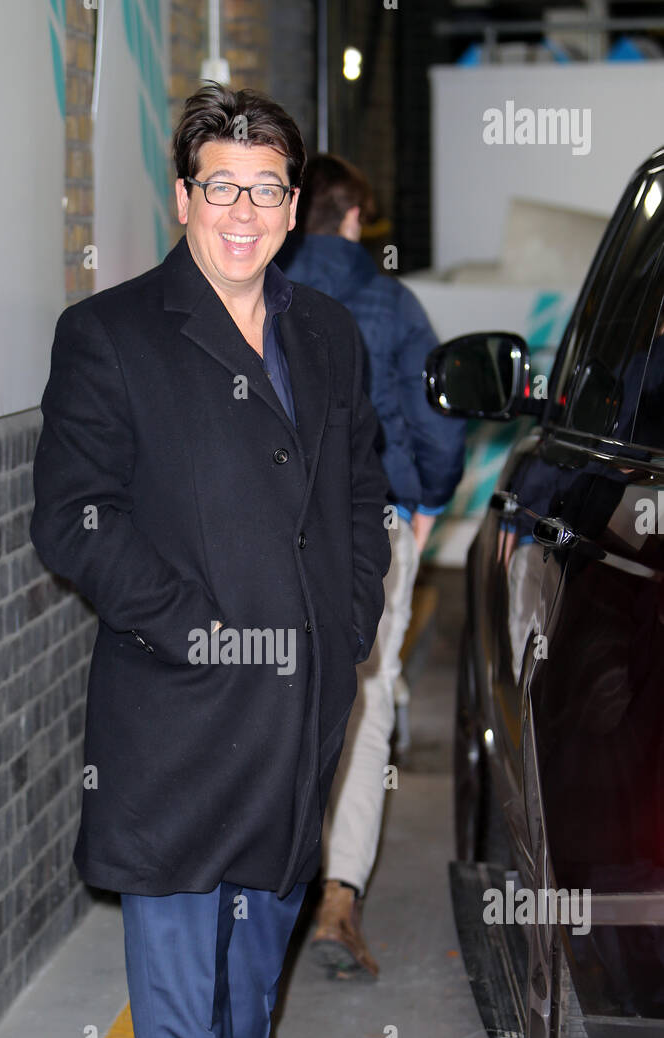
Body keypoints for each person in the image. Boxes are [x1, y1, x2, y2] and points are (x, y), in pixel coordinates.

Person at [29, 85, 391, 1038]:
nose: (243, 209)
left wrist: (343, 627)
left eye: (266, 188)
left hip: (300, 699)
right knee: (185, 933)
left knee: (262, 924)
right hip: (181, 695)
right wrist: (197, 630)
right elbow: (76, 519)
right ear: (183, 198)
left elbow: (354, 499)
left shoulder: (326, 335)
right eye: (220, 185)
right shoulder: (112, 333)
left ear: (293, 207)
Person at [279, 154, 467, 979]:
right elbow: (439, 425)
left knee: (273, 693)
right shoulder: (391, 301)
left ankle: (268, 889)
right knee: (365, 693)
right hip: (372, 522)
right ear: (354, 216)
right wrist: (426, 507)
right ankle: (339, 898)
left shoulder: (254, 294)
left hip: (270, 531)